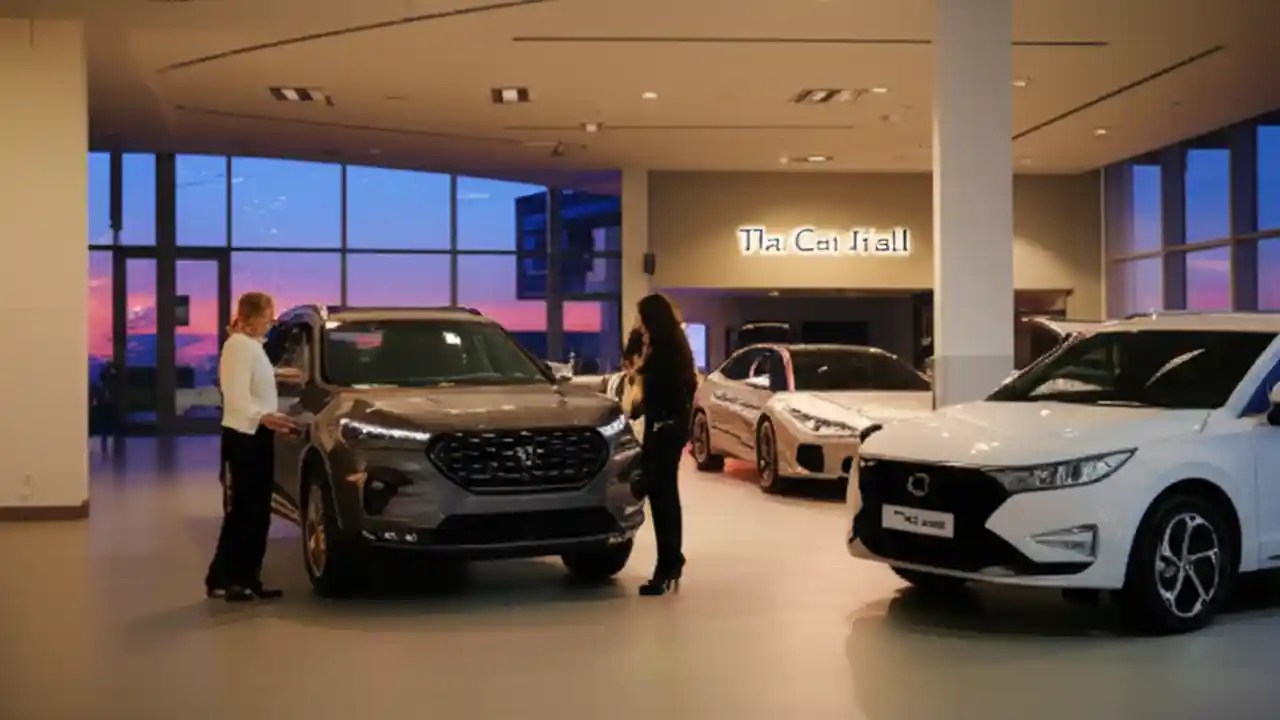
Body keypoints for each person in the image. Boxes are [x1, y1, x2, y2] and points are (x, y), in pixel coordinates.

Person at [205, 291, 298, 602]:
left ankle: (226, 577)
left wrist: (273, 403)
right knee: (251, 512)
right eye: (268, 318)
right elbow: (235, 394)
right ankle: (240, 580)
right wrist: (265, 417)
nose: (270, 324)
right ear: (252, 317)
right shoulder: (238, 348)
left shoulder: (249, 347)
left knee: (248, 511)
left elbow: (254, 386)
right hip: (246, 435)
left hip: (252, 431)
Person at [631, 294, 698, 597]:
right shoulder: (674, 347)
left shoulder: (665, 352)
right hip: (668, 431)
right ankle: (670, 560)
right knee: (666, 496)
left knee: (661, 498)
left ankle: (668, 563)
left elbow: (660, 396)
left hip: (662, 432)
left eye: (643, 318)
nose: (640, 324)